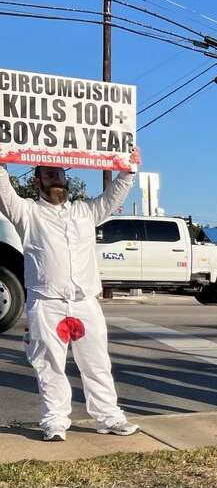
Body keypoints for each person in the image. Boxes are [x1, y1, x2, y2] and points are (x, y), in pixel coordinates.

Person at [0, 151, 142, 442]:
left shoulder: (85, 211)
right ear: (37, 180)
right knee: (49, 364)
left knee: (97, 363)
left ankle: (108, 416)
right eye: (49, 174)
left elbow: (113, 197)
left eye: (60, 174)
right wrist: (1, 163)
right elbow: (4, 192)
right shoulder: (27, 212)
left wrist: (128, 171)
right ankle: (54, 421)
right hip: (46, 302)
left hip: (85, 300)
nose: (56, 179)